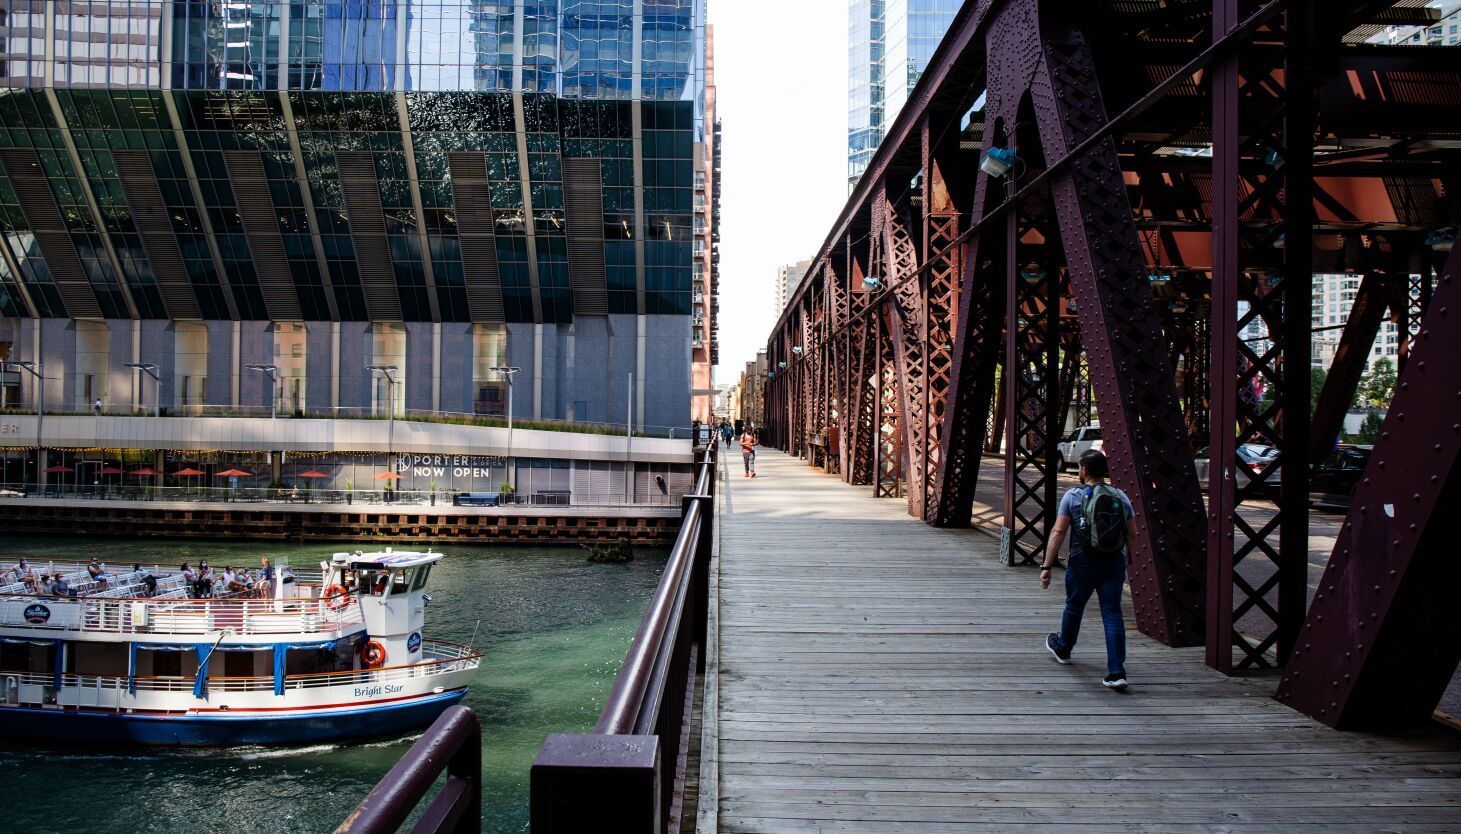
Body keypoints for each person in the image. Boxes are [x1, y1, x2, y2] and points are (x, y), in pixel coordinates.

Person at [1040, 449, 1136, 690]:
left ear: (1083, 470)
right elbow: (1133, 534)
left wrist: (1047, 566)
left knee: (1074, 606)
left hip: (1082, 562)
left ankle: (1063, 648)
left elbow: (1058, 532)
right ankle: (1116, 671)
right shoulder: (1121, 497)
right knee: (1112, 614)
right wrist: (1128, 562)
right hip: (1113, 563)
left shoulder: (1073, 496)